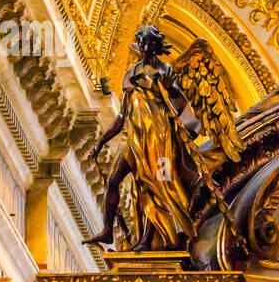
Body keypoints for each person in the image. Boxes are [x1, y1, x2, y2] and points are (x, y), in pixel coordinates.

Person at [87, 25, 203, 249]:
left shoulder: (165, 72)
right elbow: (123, 113)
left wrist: (182, 129)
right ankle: (107, 230)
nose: (144, 48)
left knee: (154, 187)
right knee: (113, 181)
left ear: (155, 46)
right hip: (133, 137)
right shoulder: (131, 73)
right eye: (141, 44)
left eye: (148, 44)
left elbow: (181, 105)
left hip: (158, 139)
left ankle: (145, 240)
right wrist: (101, 142)